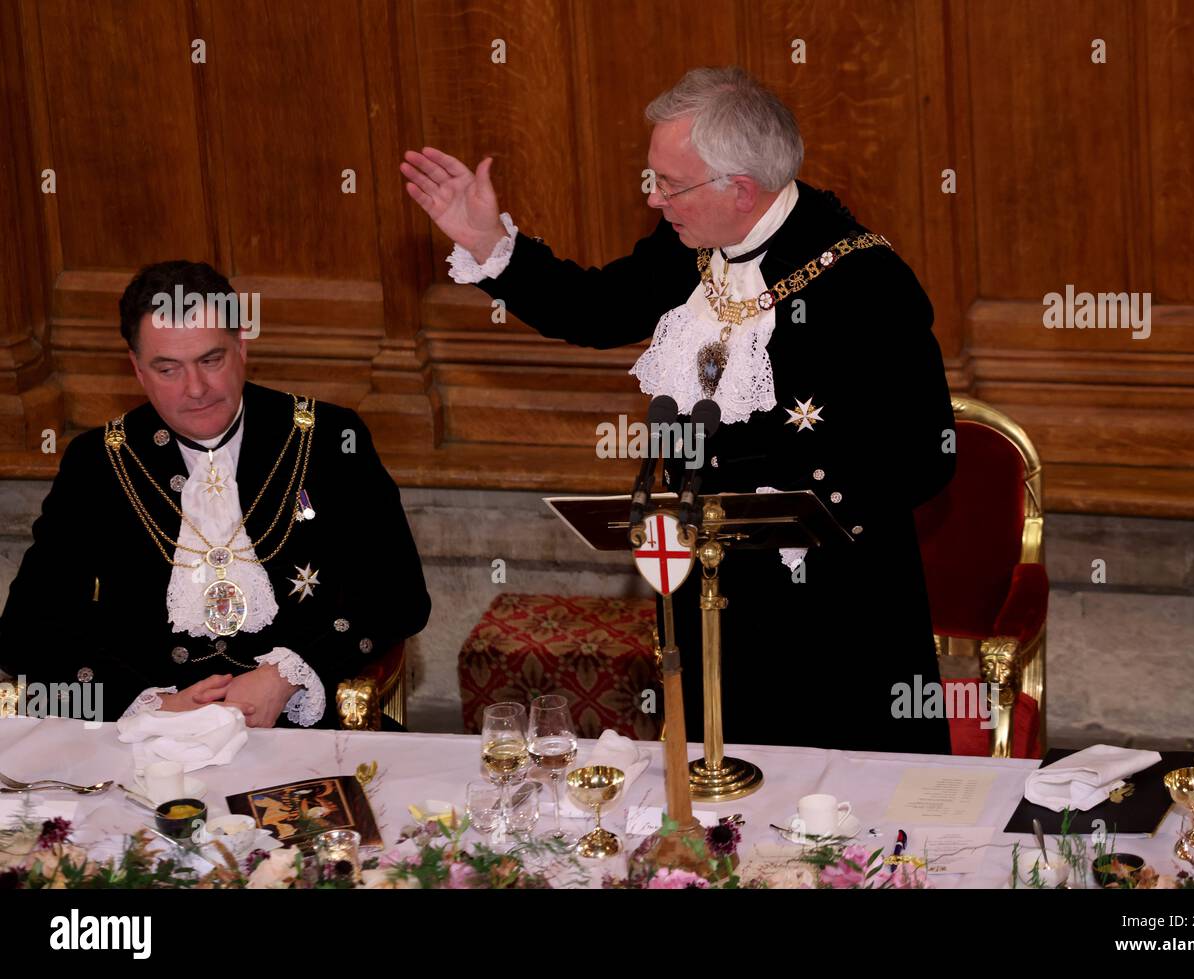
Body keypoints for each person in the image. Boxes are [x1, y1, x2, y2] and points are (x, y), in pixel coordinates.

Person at [400, 66, 954, 753]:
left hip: (834, 604)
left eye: (670, 184)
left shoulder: (866, 281)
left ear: (740, 188)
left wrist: (797, 509)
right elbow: (598, 309)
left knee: (839, 819)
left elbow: (926, 454)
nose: (657, 199)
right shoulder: (690, 246)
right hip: (711, 590)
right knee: (716, 796)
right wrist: (490, 245)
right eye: (653, 180)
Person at [0, 261, 431, 729]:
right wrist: (148, 704)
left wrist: (287, 673)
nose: (197, 389)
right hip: (151, 739)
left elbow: (400, 595)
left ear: (241, 346)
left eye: (211, 360)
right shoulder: (99, 462)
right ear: (137, 369)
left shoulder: (328, 439)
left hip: (298, 728)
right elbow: (28, 633)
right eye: (168, 369)